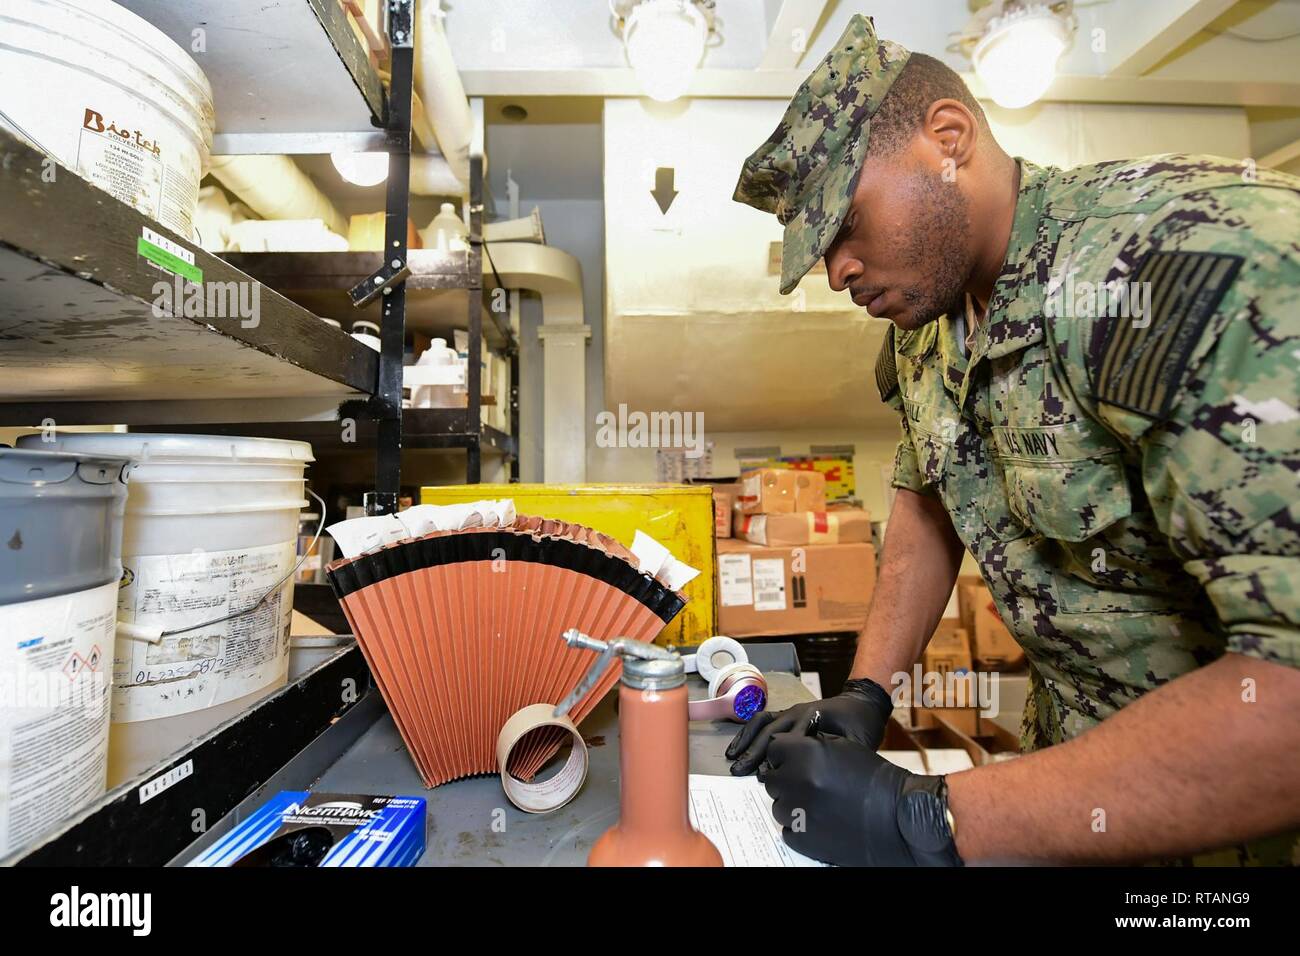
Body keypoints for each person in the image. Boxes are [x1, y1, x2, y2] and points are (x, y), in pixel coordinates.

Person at [730, 14, 1300, 866]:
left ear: (948, 138)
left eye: (846, 223)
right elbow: (929, 507)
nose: (836, 271)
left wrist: (927, 818)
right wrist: (867, 690)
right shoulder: (927, 322)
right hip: (1064, 786)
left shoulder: (1180, 265)